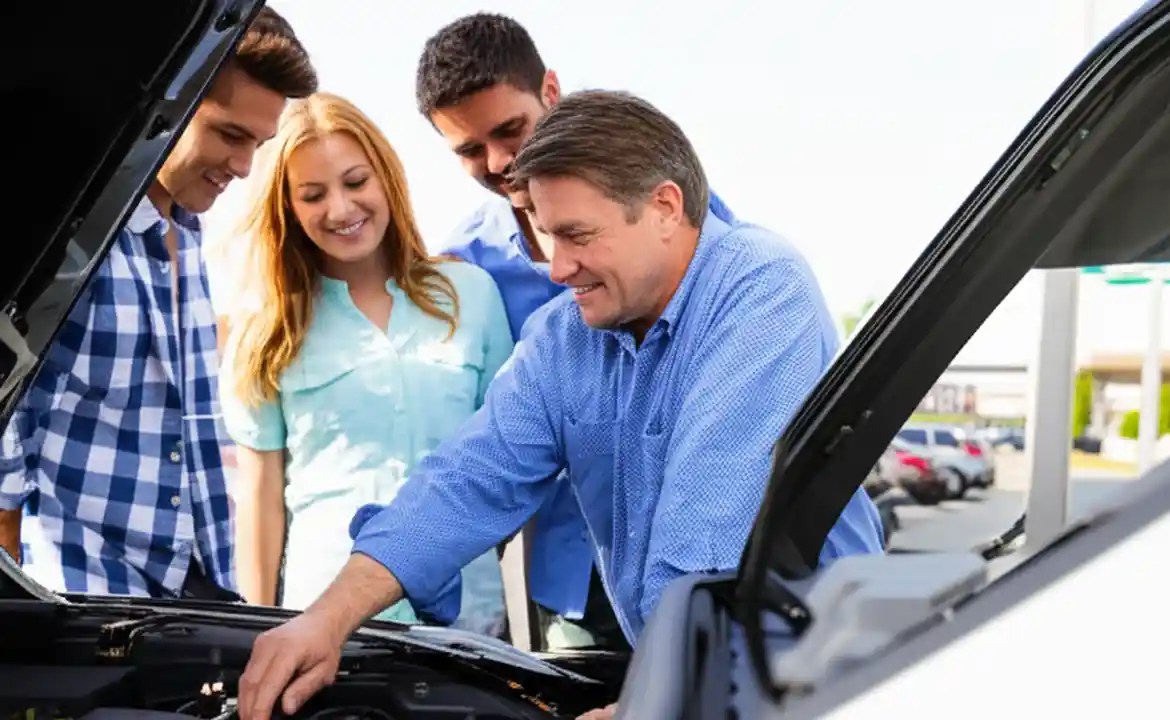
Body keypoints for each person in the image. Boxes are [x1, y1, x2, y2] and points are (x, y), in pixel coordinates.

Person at [237, 89, 884, 720]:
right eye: (547, 235)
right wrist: (325, 620)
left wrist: (655, 699)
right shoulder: (565, 338)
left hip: (827, 680)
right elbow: (465, 483)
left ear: (663, 207)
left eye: (577, 235)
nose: (556, 266)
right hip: (690, 674)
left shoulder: (761, 292)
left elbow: (701, 535)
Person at [418, 11, 738, 649]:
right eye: (469, 150)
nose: (499, 160)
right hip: (567, 580)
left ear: (552, 92)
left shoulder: (693, 235)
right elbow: (482, 447)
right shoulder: (464, 272)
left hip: (697, 560)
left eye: (510, 130)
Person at [0, 6, 317, 598]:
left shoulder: (192, 240)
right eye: (229, 134)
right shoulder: (69, 245)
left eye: (258, 142)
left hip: (192, 607)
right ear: (169, 108)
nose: (245, 167)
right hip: (80, 606)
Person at [218, 91, 514, 632]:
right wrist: (256, 635)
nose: (340, 209)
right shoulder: (264, 326)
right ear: (287, 207)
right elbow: (261, 498)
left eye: (356, 183)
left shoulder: (472, 295)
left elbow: (513, 460)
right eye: (312, 195)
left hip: (470, 625)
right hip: (321, 623)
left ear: (386, 178)